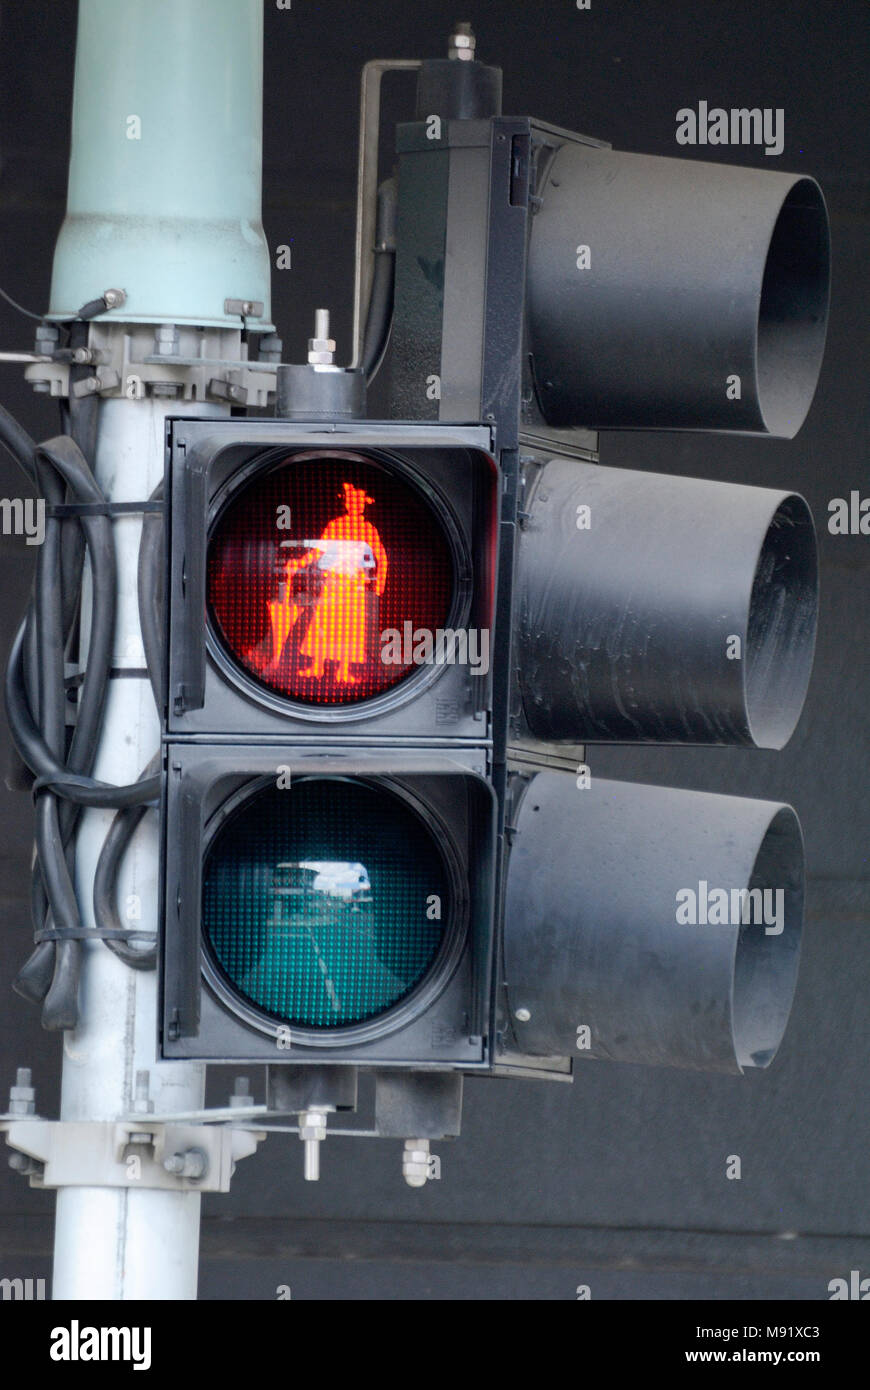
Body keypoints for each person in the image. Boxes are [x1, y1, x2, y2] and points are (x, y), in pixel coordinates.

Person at [269, 481, 387, 685]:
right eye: (352, 501)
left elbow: (381, 557)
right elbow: (318, 552)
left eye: (359, 502)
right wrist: (299, 563)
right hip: (333, 583)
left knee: (350, 629)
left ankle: (343, 670)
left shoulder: (369, 529)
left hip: (354, 586)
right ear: (347, 503)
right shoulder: (336, 524)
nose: (355, 505)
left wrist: (378, 588)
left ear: (364, 505)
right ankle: (317, 666)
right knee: (324, 625)